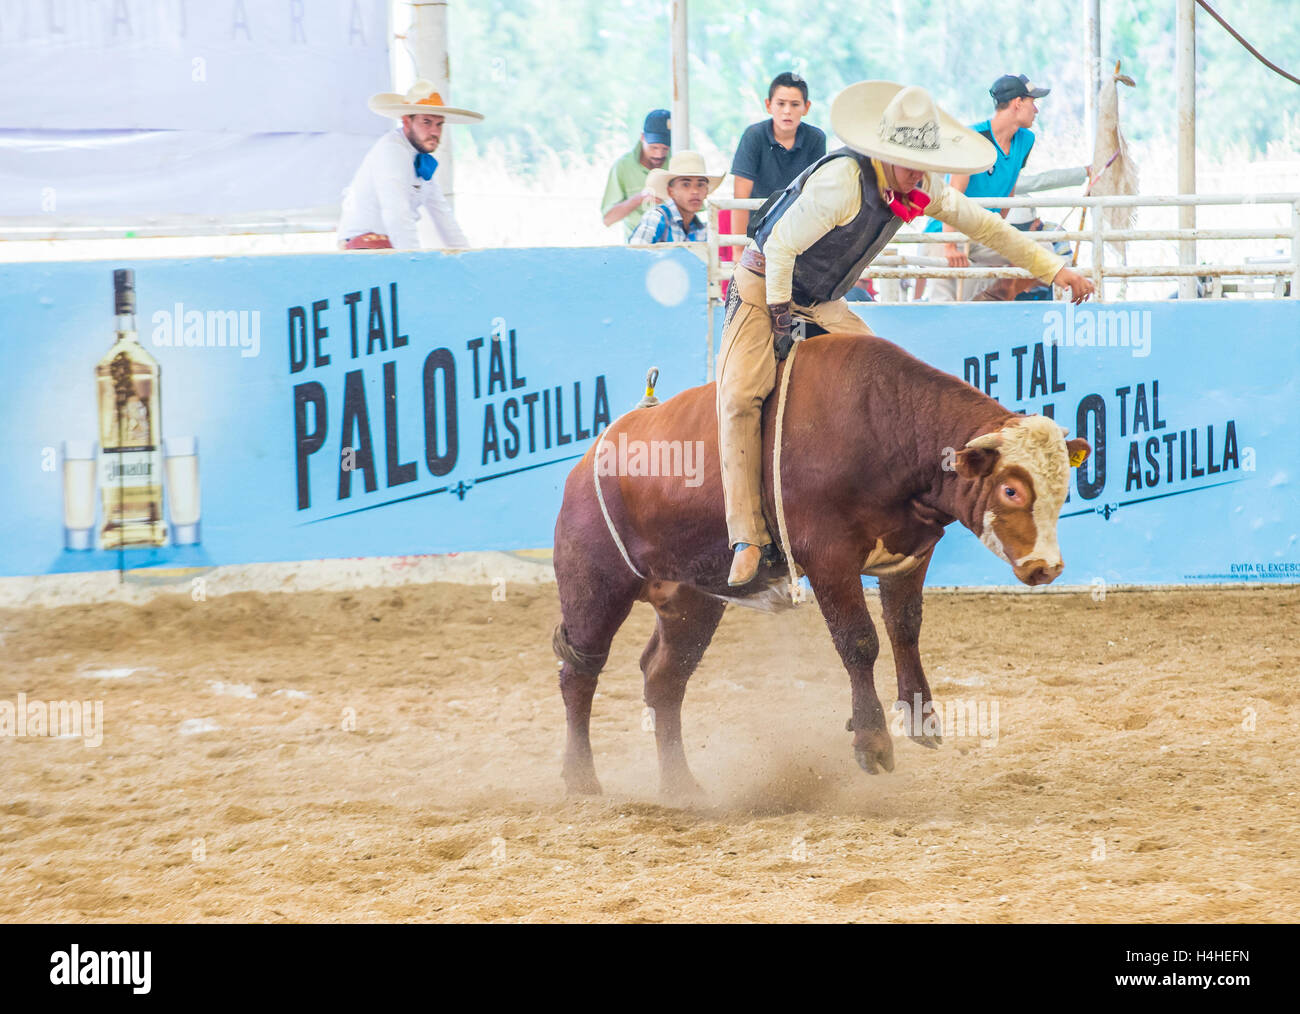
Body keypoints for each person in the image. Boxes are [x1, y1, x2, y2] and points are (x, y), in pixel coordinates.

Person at [718, 81, 1096, 586]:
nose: (917, 172)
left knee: (877, 379)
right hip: (763, 285)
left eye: (923, 163)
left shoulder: (922, 187)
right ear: (882, 154)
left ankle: (868, 513)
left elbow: (987, 228)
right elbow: (781, 248)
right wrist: (784, 323)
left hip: (825, 300)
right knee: (741, 396)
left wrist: (1053, 270)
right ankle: (746, 537)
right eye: (907, 161)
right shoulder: (841, 184)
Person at [924, 73, 1085, 300]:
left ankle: (993, 297)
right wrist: (949, 245)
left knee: (1045, 250)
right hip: (948, 230)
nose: (1036, 111)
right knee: (945, 303)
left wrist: (1000, 230)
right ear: (1018, 103)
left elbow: (1009, 189)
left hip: (983, 231)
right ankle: (979, 300)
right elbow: (952, 196)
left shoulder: (1025, 140)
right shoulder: (972, 138)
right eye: (1033, 103)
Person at [337, 80, 483, 251]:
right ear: (406, 122)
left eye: (439, 124)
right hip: (366, 247)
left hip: (386, 248)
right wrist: (412, 260)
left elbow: (441, 213)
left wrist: (466, 255)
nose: (435, 132)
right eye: (426, 122)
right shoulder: (392, 151)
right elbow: (397, 213)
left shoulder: (417, 156)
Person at [730, 72, 827, 238]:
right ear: (768, 105)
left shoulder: (816, 138)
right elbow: (740, 197)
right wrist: (738, 248)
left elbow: (816, 192)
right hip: (757, 230)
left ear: (806, 107)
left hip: (797, 229)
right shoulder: (753, 136)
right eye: (781, 104)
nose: (787, 111)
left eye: (795, 104)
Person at [601, 110, 672, 240]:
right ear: (642, 137)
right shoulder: (623, 166)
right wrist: (639, 198)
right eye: (654, 147)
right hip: (636, 249)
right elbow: (608, 219)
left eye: (665, 149)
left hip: (673, 246)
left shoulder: (677, 162)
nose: (659, 154)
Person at [628, 151, 722, 243]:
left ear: (706, 192)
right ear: (671, 191)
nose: (695, 191)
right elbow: (635, 255)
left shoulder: (702, 230)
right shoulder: (656, 218)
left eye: (700, 185)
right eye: (686, 184)